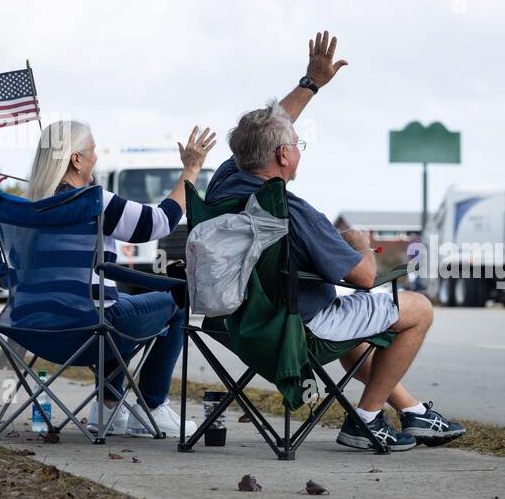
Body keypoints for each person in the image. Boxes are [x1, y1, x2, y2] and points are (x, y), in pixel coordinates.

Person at [206, 31, 466, 452]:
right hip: (294, 326)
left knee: (358, 330)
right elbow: (363, 278)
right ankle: (364, 419)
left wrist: (311, 83)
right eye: (296, 144)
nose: (297, 148)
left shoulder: (225, 186)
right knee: (416, 309)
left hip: (238, 322)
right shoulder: (294, 212)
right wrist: (359, 244)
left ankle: (415, 412)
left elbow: (262, 135)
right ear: (285, 157)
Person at [26, 119, 216, 438]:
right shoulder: (93, 201)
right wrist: (192, 170)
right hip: (90, 328)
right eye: (92, 151)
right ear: (75, 160)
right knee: (180, 302)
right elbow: (159, 222)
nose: (96, 158)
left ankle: (109, 407)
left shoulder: (29, 209)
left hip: (36, 329)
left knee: (121, 306)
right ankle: (151, 408)